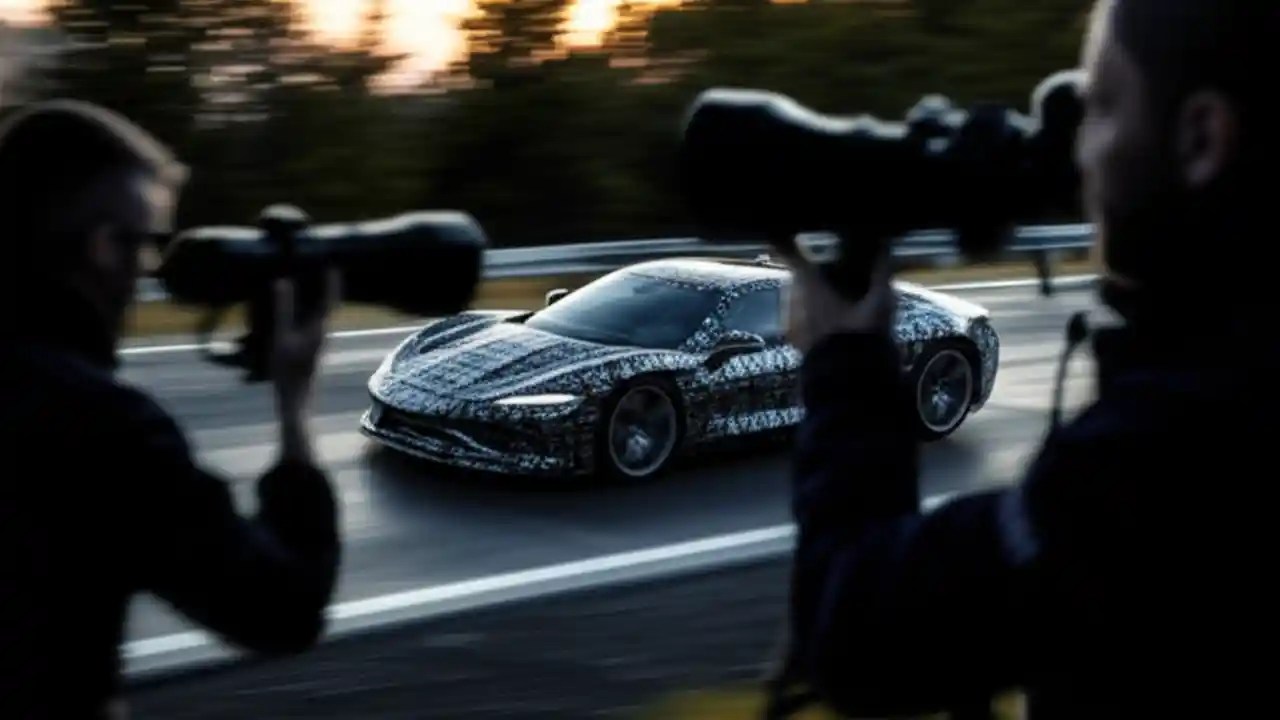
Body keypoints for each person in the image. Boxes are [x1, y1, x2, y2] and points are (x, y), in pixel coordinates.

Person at [771, 0, 1275, 717]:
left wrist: (844, 368)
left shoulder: (1164, 452)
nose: (1079, 151)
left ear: (1200, 138)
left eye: (1102, 105)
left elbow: (858, 633)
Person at [0, 101, 342, 718]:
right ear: (105, 247)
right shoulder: (103, 431)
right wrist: (295, 404)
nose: (147, 271)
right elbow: (284, 609)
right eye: (147, 245)